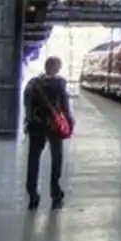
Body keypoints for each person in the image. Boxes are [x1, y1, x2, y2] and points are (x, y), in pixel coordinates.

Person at [22, 56, 75, 210]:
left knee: (33, 161)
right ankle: (56, 196)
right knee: (56, 161)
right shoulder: (59, 84)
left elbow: (27, 104)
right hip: (54, 127)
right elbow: (64, 108)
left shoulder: (33, 83)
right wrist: (69, 124)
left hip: (36, 126)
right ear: (56, 68)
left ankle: (33, 196)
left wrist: (30, 121)